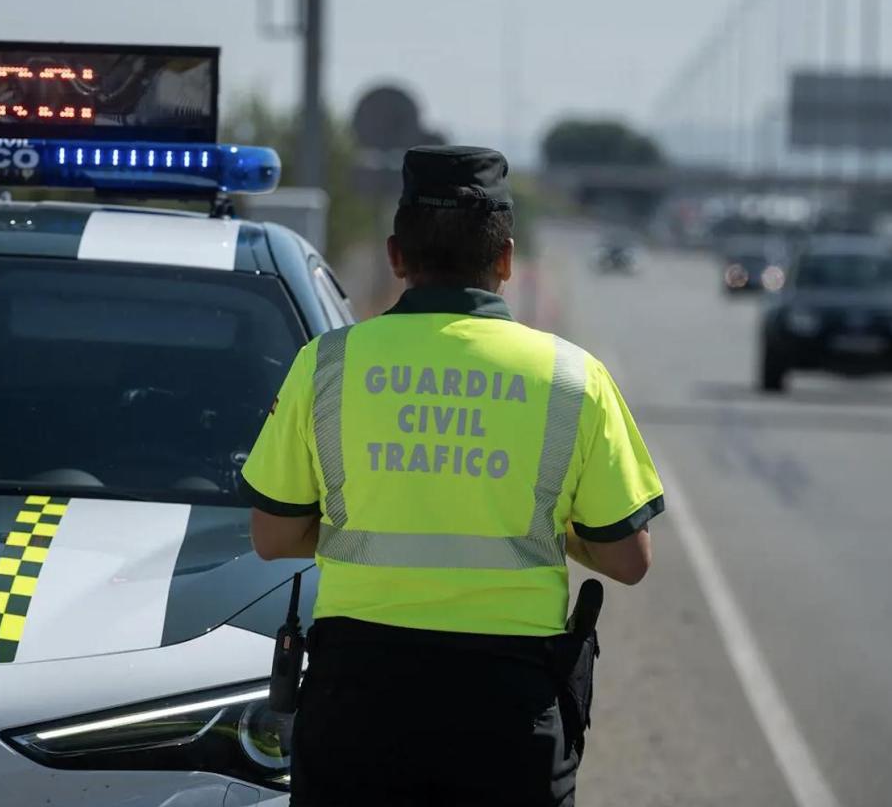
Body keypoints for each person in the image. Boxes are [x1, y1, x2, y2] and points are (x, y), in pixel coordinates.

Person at [240, 145, 665, 806]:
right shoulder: (572, 378)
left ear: (395, 256)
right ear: (505, 259)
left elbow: (271, 536)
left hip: (357, 705)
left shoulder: (326, 365)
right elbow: (629, 559)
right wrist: (551, 526)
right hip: (510, 714)